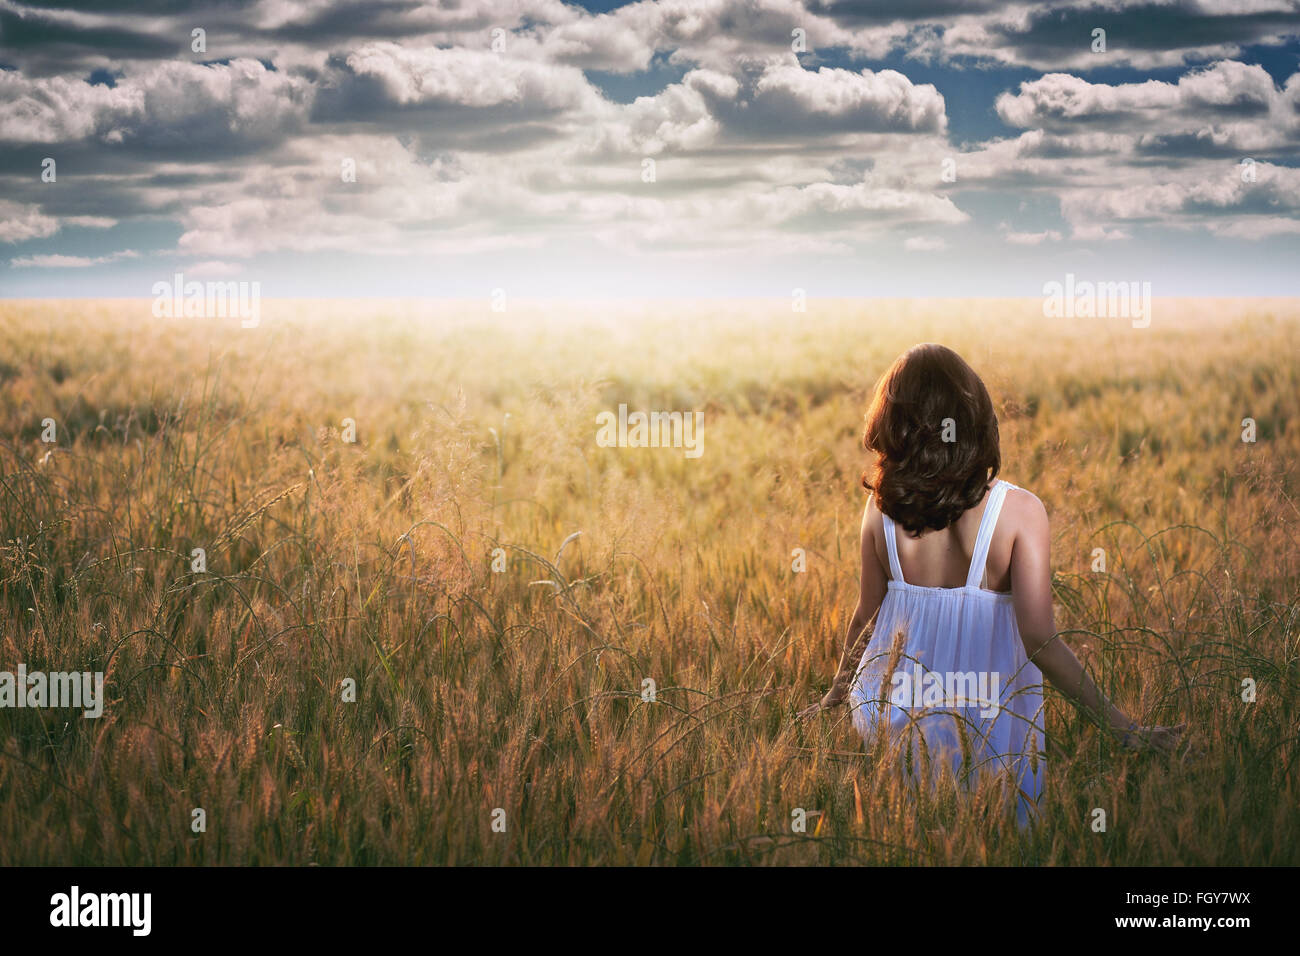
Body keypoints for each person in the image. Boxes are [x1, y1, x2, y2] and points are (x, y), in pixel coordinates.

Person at [798, 343, 1183, 824]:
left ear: (893, 422)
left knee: (908, 843)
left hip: (900, 726)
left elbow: (866, 615)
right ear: (974, 416)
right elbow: (1040, 639)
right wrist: (1124, 728)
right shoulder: (1020, 512)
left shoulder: (881, 510)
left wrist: (834, 697)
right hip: (994, 737)